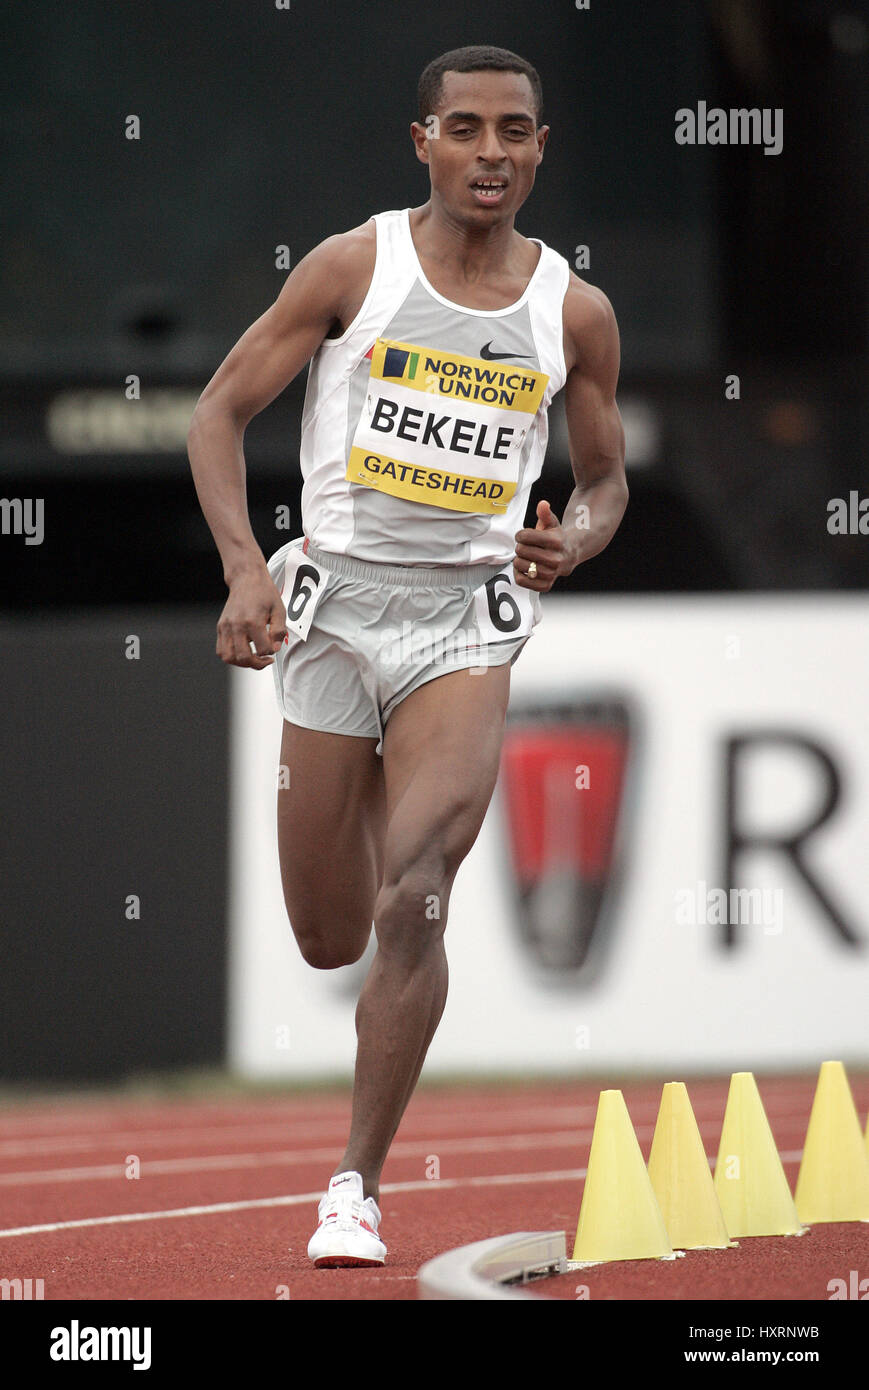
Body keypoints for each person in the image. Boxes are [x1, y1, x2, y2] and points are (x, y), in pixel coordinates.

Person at [186, 44, 628, 1268]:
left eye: (516, 131)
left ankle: (353, 1188)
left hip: (460, 620)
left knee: (417, 886)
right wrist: (239, 568)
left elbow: (602, 482)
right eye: (467, 128)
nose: (492, 151)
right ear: (422, 140)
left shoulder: (571, 312)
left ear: (541, 148)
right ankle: (375, 809)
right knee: (330, 935)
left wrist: (570, 542)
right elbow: (219, 410)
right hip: (332, 616)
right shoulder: (352, 267)